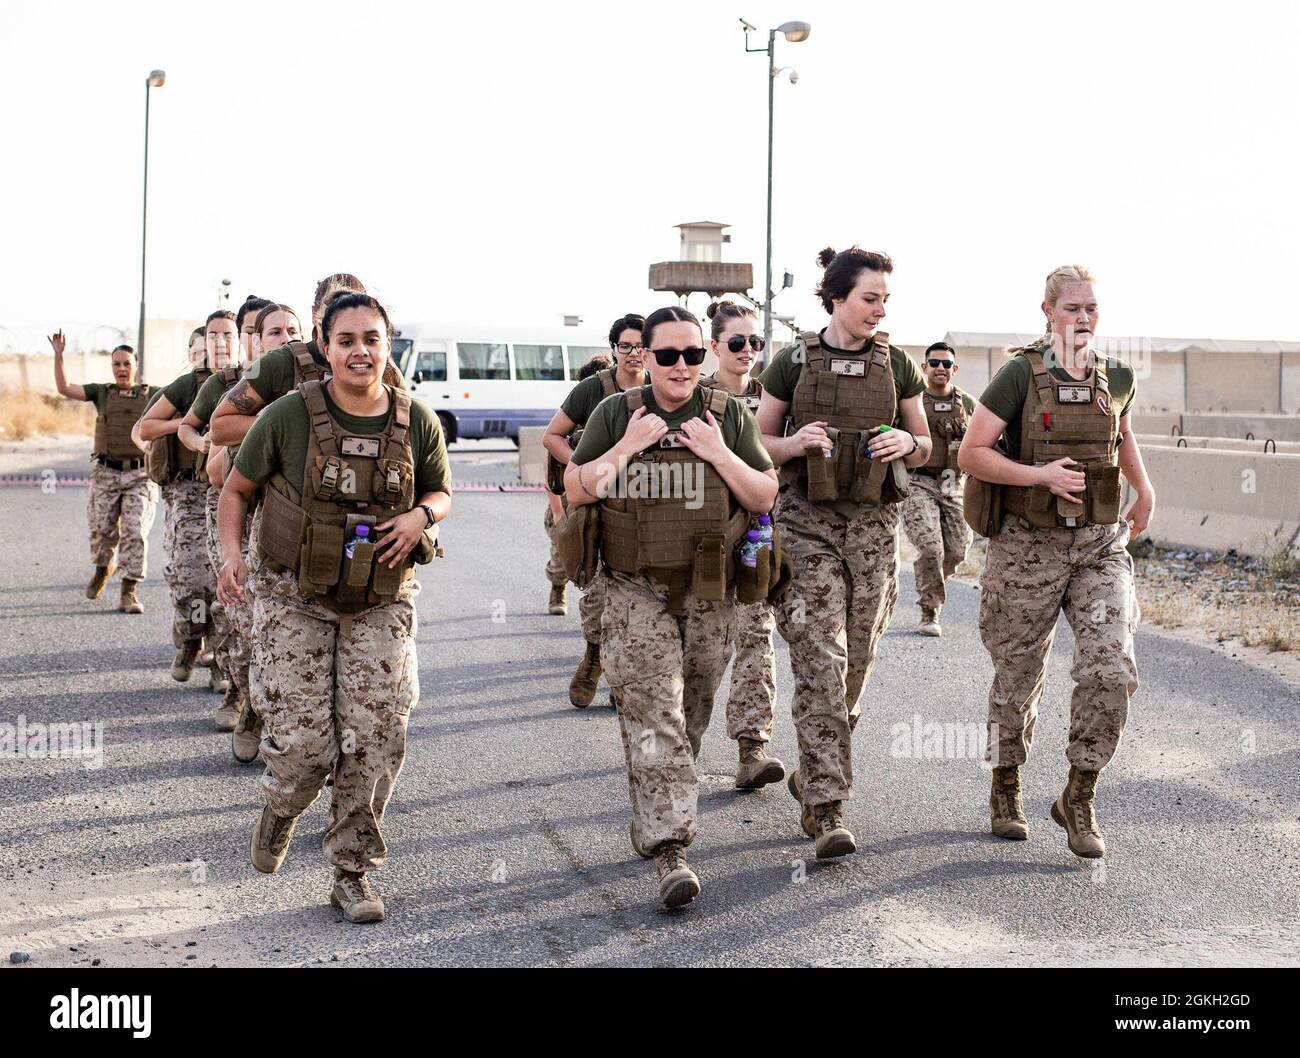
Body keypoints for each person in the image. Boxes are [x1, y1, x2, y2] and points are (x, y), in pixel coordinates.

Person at [216, 292, 451, 924]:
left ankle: (351, 871)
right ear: (325, 347)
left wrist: (422, 515)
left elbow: (440, 491)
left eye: (372, 339)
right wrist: (231, 556)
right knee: (305, 748)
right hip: (294, 597)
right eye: (346, 340)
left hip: (380, 598)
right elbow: (236, 489)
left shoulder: (417, 420)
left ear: (388, 345)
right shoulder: (287, 415)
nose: (360, 351)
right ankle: (282, 806)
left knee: (376, 736)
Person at [566, 306, 777, 909]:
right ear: (648, 358)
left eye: (691, 354)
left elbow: (764, 493)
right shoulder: (616, 412)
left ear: (704, 356)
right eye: (666, 355)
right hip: (635, 588)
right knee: (655, 711)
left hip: (710, 589)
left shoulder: (727, 415)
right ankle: (671, 846)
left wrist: (719, 453)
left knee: (693, 709)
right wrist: (628, 445)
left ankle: (658, 806)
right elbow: (576, 487)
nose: (680, 366)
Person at [958, 265, 1153, 859]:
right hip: (1027, 546)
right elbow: (971, 453)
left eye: (1092, 308)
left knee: (1111, 668)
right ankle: (1006, 783)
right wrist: (1038, 475)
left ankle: (1079, 793)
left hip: (1098, 544)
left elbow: (1121, 436)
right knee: (1017, 677)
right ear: (1047, 311)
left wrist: (1145, 489)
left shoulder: (1117, 375)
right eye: (1073, 308)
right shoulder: (1020, 374)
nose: (1084, 318)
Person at [756, 247, 931, 859]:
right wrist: (793, 443)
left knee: (856, 662)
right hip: (807, 525)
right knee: (820, 661)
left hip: (876, 530)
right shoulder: (791, 362)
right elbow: (757, 443)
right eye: (869, 299)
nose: (880, 310)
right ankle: (827, 806)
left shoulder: (898, 364)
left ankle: (816, 763)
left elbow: (926, 445)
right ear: (836, 298)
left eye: (885, 300)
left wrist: (906, 441)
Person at [178, 298, 287, 738]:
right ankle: (241, 694)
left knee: (277, 621)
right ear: (250, 339)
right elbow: (213, 470)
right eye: (260, 332)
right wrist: (270, 427)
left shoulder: (306, 383)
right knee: (240, 615)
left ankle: (269, 709)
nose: (279, 340)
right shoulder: (229, 387)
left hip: (283, 515)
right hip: (235, 507)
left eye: (290, 332)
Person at [698, 300, 785, 789]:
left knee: (756, 636)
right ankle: (679, 744)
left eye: (755, 342)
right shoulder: (693, 395)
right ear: (715, 346)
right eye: (736, 342)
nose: (747, 350)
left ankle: (752, 748)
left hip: (758, 535)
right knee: (703, 650)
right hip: (703, 539)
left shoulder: (773, 399)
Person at [541, 313, 648, 709]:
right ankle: (593, 656)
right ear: (614, 349)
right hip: (597, 506)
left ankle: (622, 680)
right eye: (626, 346)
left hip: (646, 507)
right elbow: (552, 436)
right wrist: (581, 467)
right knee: (599, 594)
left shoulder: (663, 388)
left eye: (641, 346)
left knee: (641, 600)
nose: (634, 353)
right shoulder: (593, 389)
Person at [140, 311, 239, 689]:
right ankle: (190, 639)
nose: (220, 343)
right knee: (192, 578)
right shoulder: (190, 384)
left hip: (235, 491)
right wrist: (193, 435)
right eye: (213, 336)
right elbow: (146, 426)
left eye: (228, 335)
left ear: (241, 340)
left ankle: (221, 661)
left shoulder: (253, 380)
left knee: (230, 580)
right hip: (191, 493)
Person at [48, 334, 158, 613]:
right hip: (106, 473)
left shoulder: (152, 394)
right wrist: (59, 355)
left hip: (139, 475)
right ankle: (102, 567)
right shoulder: (102, 393)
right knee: (101, 530)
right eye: (116, 364)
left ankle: (129, 591)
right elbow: (64, 388)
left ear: (136, 365)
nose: (121, 369)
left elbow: (186, 398)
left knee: (136, 531)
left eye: (126, 364)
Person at [899, 341, 976, 636]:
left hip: (954, 483)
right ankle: (929, 610)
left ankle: (928, 580)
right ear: (924, 367)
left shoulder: (967, 404)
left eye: (946, 364)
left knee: (957, 550)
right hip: (918, 481)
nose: (940, 368)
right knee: (931, 548)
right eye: (934, 363)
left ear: (955, 368)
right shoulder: (912, 402)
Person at [541, 351, 613, 615]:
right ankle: (557, 587)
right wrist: (558, 513)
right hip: (565, 503)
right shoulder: (571, 427)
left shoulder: (615, 419)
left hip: (602, 503)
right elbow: (551, 477)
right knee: (563, 556)